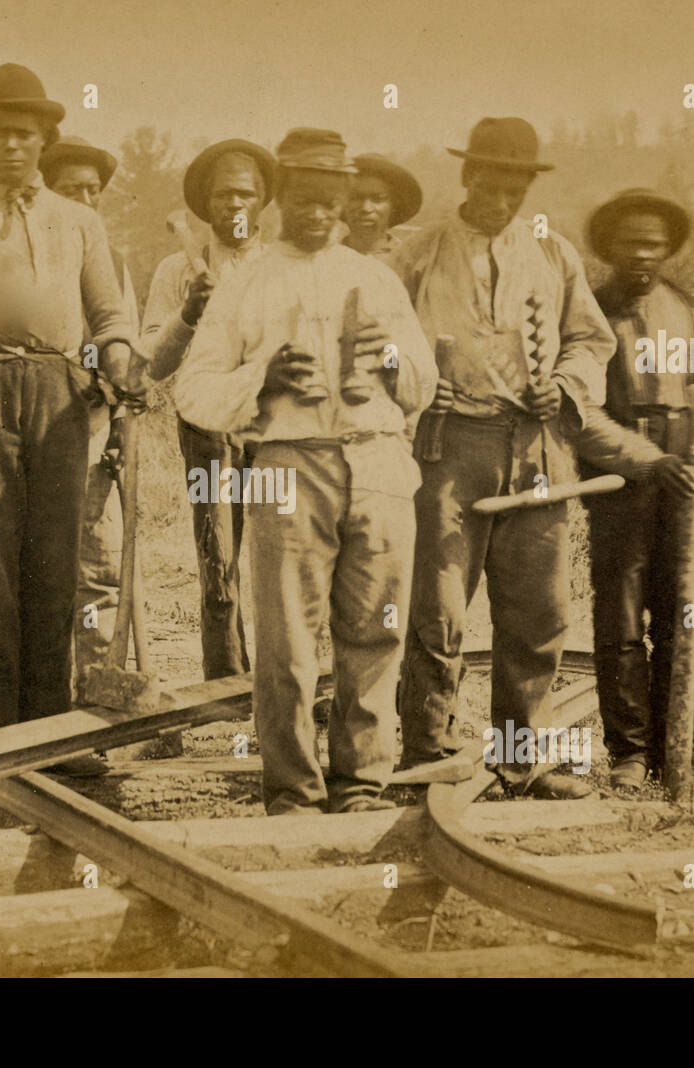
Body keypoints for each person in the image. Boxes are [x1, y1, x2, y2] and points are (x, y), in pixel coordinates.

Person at [175, 128, 436, 815]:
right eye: (304, 200)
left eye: (330, 202)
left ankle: (361, 784)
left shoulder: (375, 277)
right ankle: (291, 790)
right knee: (288, 641)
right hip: (288, 466)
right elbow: (193, 390)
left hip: (379, 463)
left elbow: (423, 387)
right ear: (280, 198)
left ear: (345, 202)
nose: (317, 214)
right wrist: (261, 379)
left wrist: (388, 361)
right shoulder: (247, 280)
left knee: (376, 630)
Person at [0, 64, 139, 776]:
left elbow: (108, 313)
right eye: (2, 132)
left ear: (45, 139)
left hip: (61, 394)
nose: (14, 145)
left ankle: (48, 737)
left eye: (27, 134)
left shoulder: (80, 222)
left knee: (54, 568)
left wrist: (121, 362)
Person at [390, 117, 614, 799]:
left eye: (514, 186)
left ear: (527, 187)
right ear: (466, 176)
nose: (501, 197)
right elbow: (382, 341)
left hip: (538, 449)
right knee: (437, 605)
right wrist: (420, 377)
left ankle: (522, 762)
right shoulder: (419, 252)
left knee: (537, 610)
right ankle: (427, 749)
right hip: (448, 445)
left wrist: (566, 388)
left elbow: (589, 341)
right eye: (490, 182)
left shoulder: (554, 255)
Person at [584, 188, 694, 790]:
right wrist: (646, 459)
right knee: (621, 618)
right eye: (630, 243)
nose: (641, 255)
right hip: (620, 482)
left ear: (667, 251)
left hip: (688, 486)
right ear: (609, 247)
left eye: (652, 245)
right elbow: (579, 410)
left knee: (684, 613)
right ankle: (629, 754)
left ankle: (681, 746)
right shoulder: (590, 312)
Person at [141, 138, 276, 681]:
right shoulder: (178, 271)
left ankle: (284, 684)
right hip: (207, 434)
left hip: (276, 434)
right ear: (207, 203)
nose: (235, 205)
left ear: (263, 201)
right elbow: (151, 362)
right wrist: (189, 314)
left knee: (283, 563)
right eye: (224, 196)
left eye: (246, 194)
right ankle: (224, 688)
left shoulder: (286, 267)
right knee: (219, 563)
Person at [39, 134, 139, 678]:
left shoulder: (113, 262)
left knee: (100, 565)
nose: (84, 199)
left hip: (94, 423)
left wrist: (121, 423)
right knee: (42, 568)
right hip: (30, 429)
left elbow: (128, 354)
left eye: (93, 189)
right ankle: (43, 700)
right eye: (70, 189)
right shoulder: (23, 261)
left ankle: (96, 692)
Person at [342, 153, 422, 259]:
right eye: (356, 198)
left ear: (393, 207)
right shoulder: (324, 258)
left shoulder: (410, 260)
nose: (366, 208)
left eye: (377, 199)